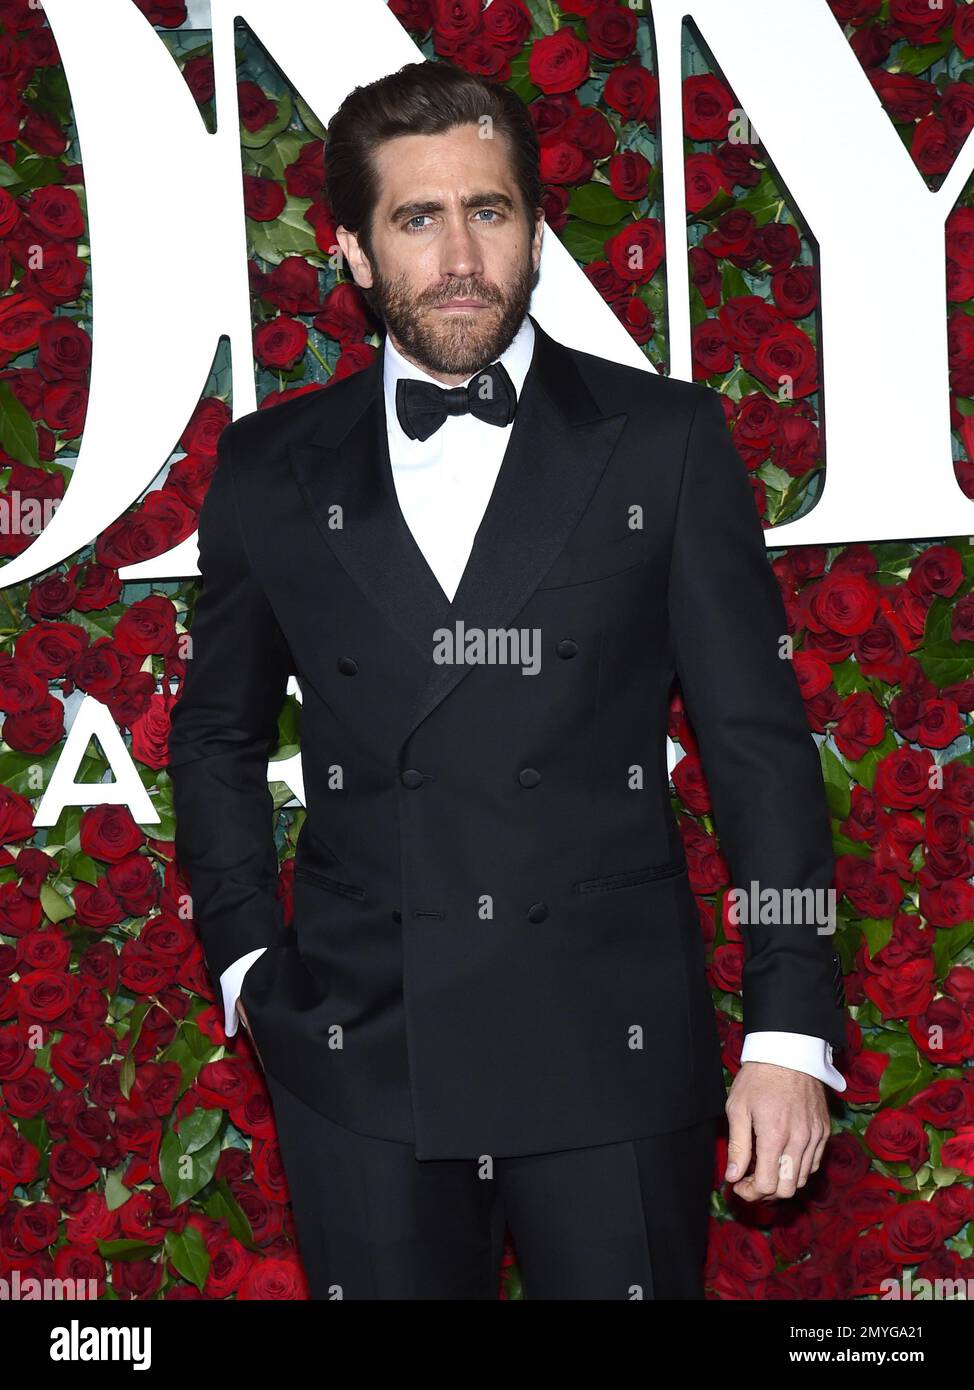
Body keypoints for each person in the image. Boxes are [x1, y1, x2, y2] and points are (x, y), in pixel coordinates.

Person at [167, 59, 848, 1300]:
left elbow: (759, 753)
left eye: (489, 210)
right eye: (415, 219)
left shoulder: (663, 439)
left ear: (532, 229)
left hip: (608, 1044)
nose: (460, 254)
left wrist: (789, 1029)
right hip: (360, 1046)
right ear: (357, 255)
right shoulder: (272, 466)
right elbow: (213, 732)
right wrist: (246, 966)